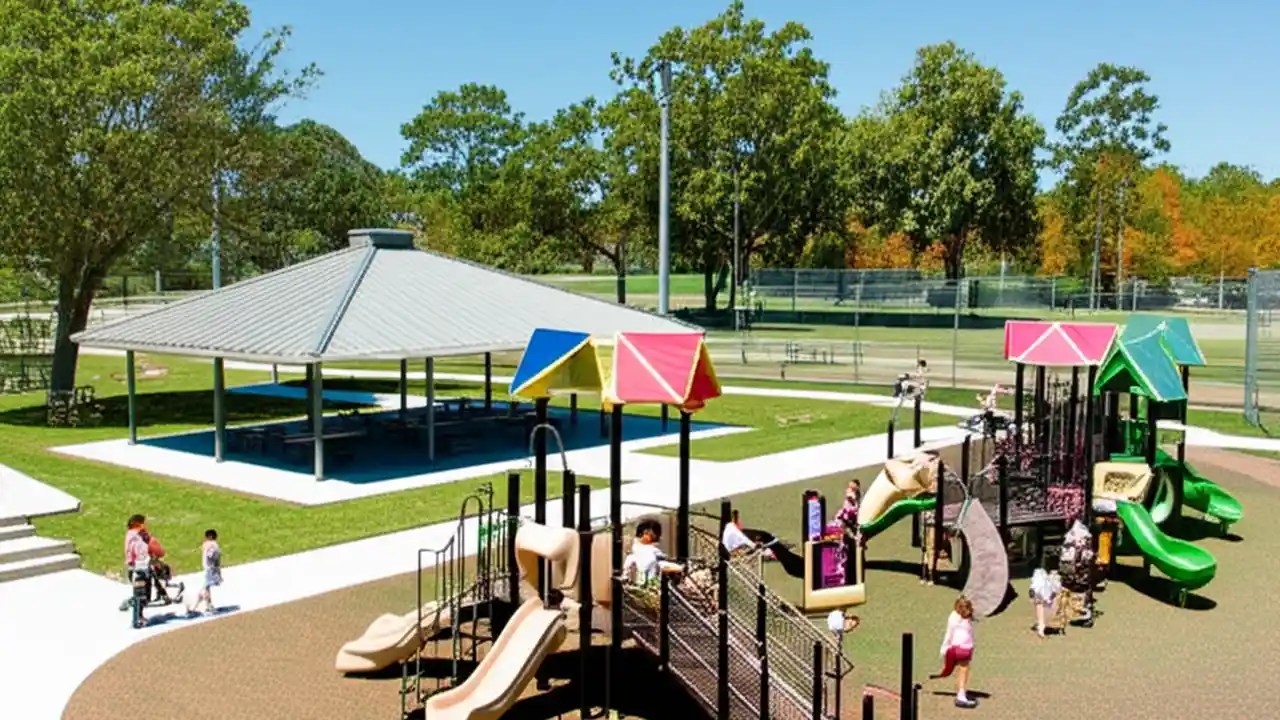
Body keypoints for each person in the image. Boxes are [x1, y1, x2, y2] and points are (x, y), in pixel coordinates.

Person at [930, 596, 978, 709]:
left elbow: (949, 633)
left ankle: (960, 692)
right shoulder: (969, 618)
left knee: (954, 669)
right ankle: (961, 693)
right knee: (963, 669)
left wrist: (944, 648)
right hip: (965, 648)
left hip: (954, 648)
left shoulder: (953, 616)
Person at [622, 520, 671, 586]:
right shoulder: (639, 548)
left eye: (650, 534)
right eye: (646, 533)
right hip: (643, 583)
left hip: (649, 582)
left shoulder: (652, 549)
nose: (648, 536)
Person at [124, 514, 151, 628]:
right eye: (143, 523)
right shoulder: (133, 536)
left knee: (143, 594)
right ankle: (137, 617)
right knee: (140, 594)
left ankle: (139, 615)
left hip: (142, 566)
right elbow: (131, 550)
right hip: (138, 567)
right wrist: (131, 562)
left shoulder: (140, 534)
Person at [187, 529, 222, 616]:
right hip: (211, 569)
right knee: (205, 588)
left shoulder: (210, 545)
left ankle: (206, 606)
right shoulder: (213, 544)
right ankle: (202, 606)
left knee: (205, 588)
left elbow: (210, 555)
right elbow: (213, 556)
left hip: (209, 569)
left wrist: (206, 547)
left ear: (209, 536)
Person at [1029, 568, 1062, 637]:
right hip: (1043, 574)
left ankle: (1042, 624)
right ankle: (1041, 625)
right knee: (1040, 601)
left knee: (1044, 602)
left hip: (1049, 575)